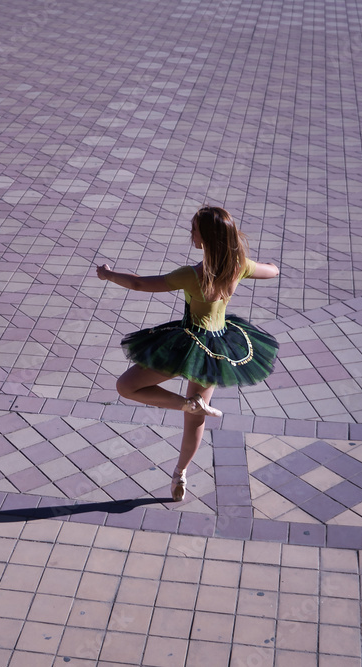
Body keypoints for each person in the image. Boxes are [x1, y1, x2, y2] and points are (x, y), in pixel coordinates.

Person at [96, 206, 280, 501]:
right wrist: (272, 266)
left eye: (193, 229)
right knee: (196, 421)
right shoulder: (239, 265)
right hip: (218, 348)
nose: (190, 234)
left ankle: (185, 404)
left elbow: (139, 283)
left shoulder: (191, 275)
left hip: (186, 343)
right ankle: (180, 473)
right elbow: (271, 271)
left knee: (126, 386)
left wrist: (108, 274)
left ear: (205, 237)